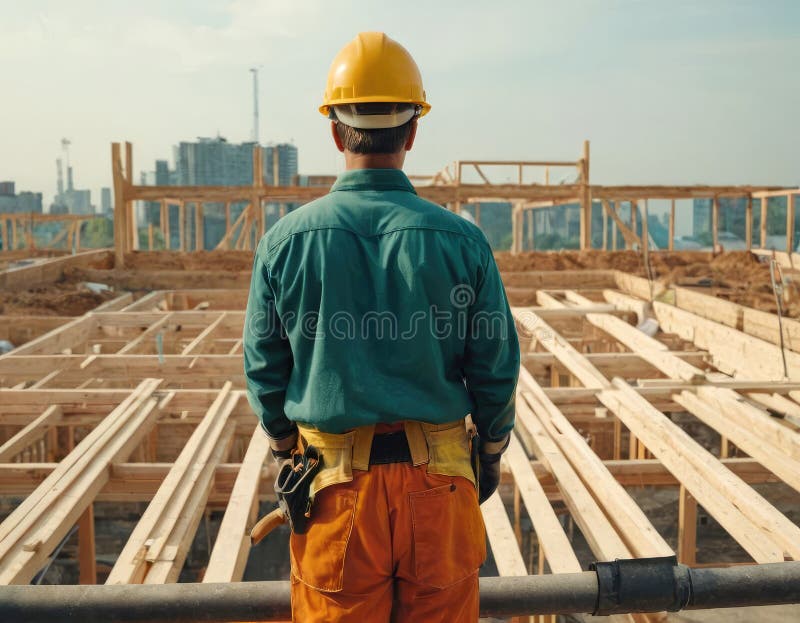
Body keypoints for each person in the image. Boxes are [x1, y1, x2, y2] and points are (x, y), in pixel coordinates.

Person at [243, 31, 519, 623]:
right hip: (440, 487)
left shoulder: (284, 243)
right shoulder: (462, 241)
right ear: (412, 132)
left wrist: (285, 447)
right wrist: (490, 451)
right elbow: (495, 368)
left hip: (335, 493)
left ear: (336, 131)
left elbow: (264, 370)